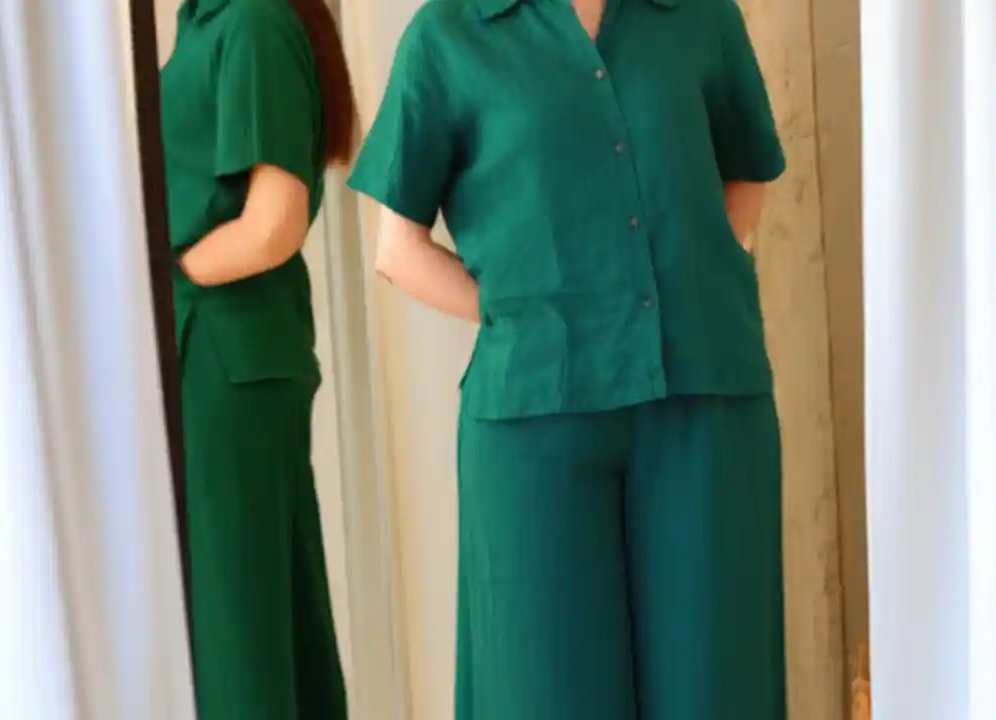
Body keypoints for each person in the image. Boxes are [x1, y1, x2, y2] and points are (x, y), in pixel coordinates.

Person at [349, 0, 787, 717]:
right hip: (533, 423)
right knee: (543, 695)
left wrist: (696, 283)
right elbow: (397, 252)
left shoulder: (700, 15)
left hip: (704, 405)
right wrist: (532, 316)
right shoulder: (451, 34)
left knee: (717, 690)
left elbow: (746, 171)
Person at [159, 0, 352, 717]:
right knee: (259, 616)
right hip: (223, 357)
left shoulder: (251, 20)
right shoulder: (205, 22)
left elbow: (273, 225)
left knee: (237, 622)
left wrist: (159, 278)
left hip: (223, 360)